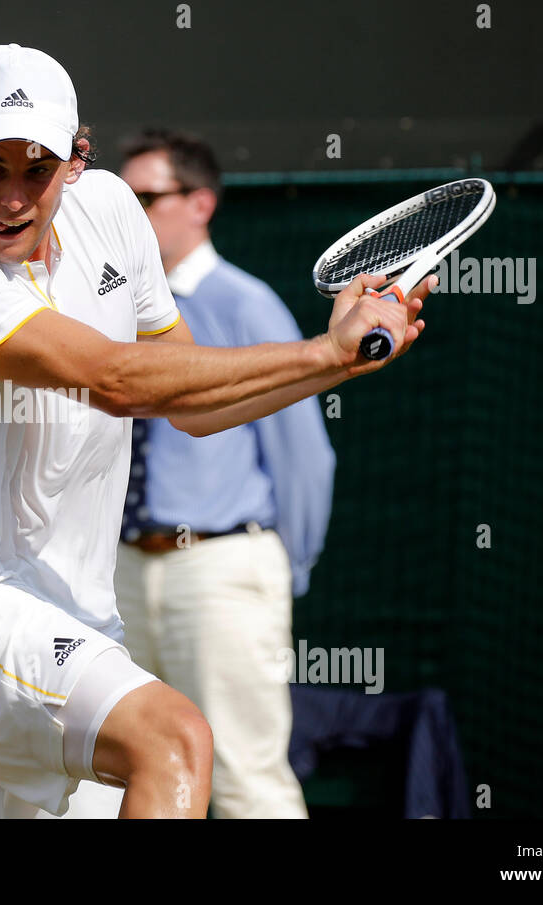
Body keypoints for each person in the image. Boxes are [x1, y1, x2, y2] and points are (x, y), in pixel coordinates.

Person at [0, 43, 430, 819]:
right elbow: (116, 379)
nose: (10, 197)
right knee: (175, 741)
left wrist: (338, 364)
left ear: (78, 159)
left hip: (79, 615)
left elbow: (193, 403)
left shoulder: (109, 212)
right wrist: (321, 348)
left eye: (35, 168)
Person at [113, 129, 335, 818]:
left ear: (200, 203)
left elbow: (305, 456)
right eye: (120, 200)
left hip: (220, 567)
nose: (130, 215)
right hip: (116, 569)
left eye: (146, 197)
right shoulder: (108, 305)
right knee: (118, 776)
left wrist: (272, 567)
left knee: (244, 781)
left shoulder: (246, 303)